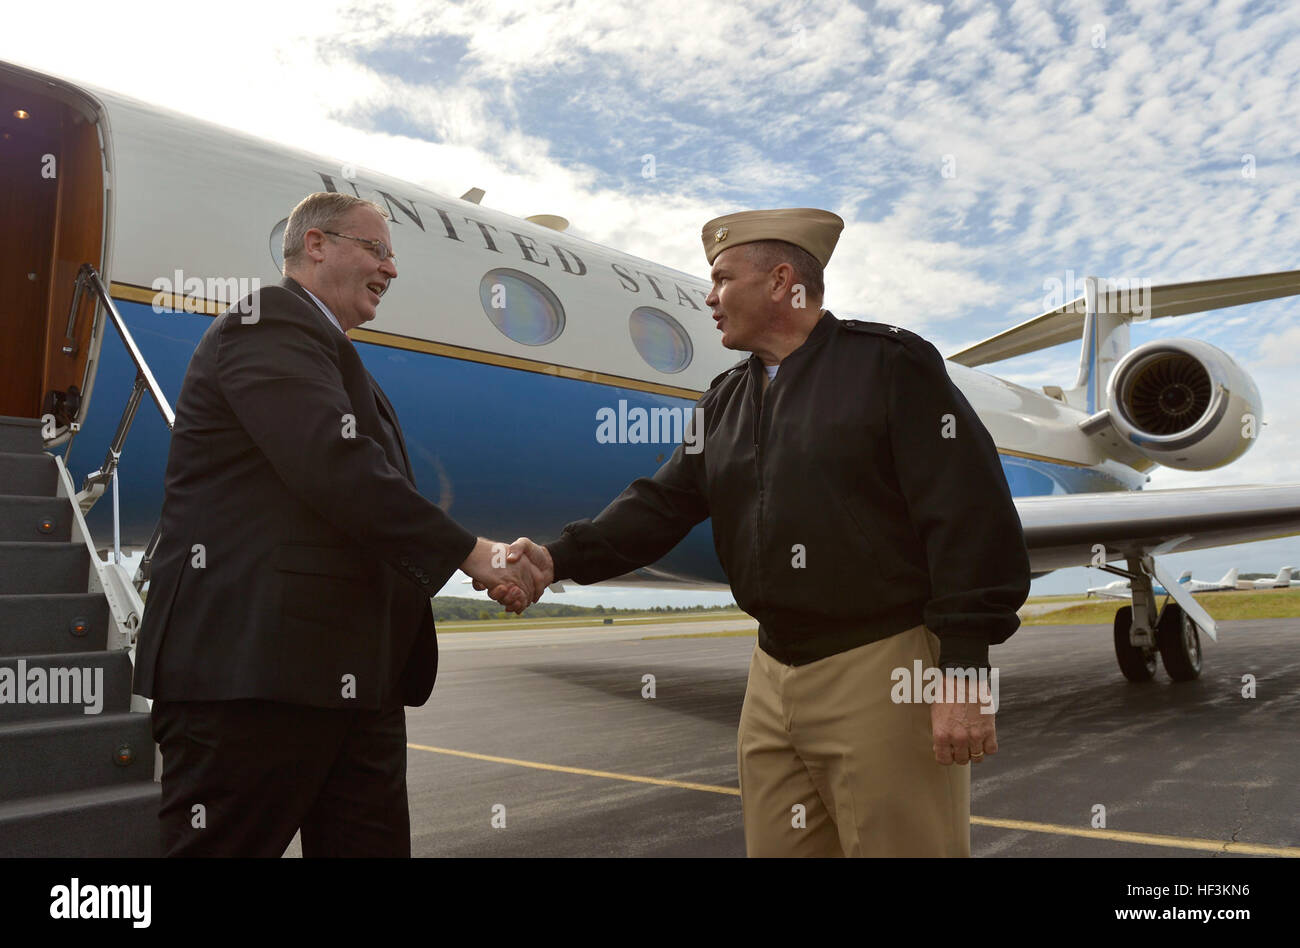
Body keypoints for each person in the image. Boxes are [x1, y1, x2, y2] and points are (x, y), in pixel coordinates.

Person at [492, 208, 1031, 856]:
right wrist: (556, 559)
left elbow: (969, 515)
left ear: (781, 282)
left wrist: (965, 672)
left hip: (882, 664)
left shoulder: (890, 365)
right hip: (772, 674)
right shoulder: (724, 399)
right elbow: (661, 504)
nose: (710, 297)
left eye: (722, 279)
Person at [133, 192, 539, 857]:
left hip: (355, 684)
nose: (393, 270)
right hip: (257, 681)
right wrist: (472, 552)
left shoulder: (331, 352)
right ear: (316, 245)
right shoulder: (266, 322)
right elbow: (334, 463)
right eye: (377, 249)